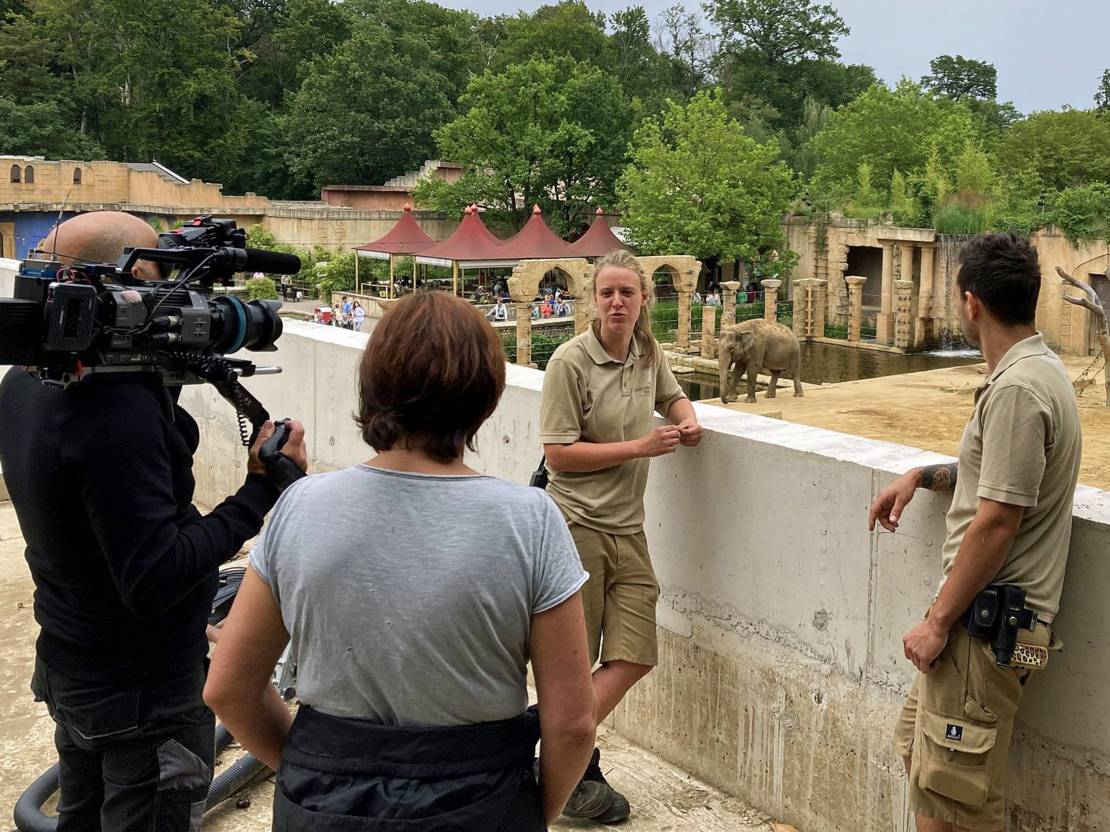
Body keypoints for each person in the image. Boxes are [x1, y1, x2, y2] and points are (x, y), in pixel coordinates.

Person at [205, 292, 597, 831]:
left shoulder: (301, 505)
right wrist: (528, 813)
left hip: (322, 799)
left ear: (374, 386)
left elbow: (228, 689)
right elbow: (573, 723)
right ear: (487, 396)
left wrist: (312, 769)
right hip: (481, 797)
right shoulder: (528, 520)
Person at [0, 210, 308, 832]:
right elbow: (154, 576)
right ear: (131, 278)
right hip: (143, 699)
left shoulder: (27, 381)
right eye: (166, 277)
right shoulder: (116, 408)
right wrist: (260, 491)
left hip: (74, 668)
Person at [869, 233, 1081, 832]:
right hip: (979, 625)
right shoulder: (1037, 370)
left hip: (984, 628)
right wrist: (922, 475)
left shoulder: (1017, 388)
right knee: (925, 764)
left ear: (970, 303)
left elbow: (998, 519)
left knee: (956, 806)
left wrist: (937, 622)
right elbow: (1000, 480)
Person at [539, 249, 703, 823]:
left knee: (635, 653)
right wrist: (640, 447)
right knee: (574, 662)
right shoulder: (569, 362)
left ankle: (556, 752)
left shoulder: (647, 352)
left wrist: (686, 416)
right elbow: (558, 453)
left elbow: (670, 393)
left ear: (642, 302)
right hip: (575, 525)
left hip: (627, 528)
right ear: (591, 300)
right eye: (606, 292)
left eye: (626, 293)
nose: (616, 302)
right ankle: (574, 770)